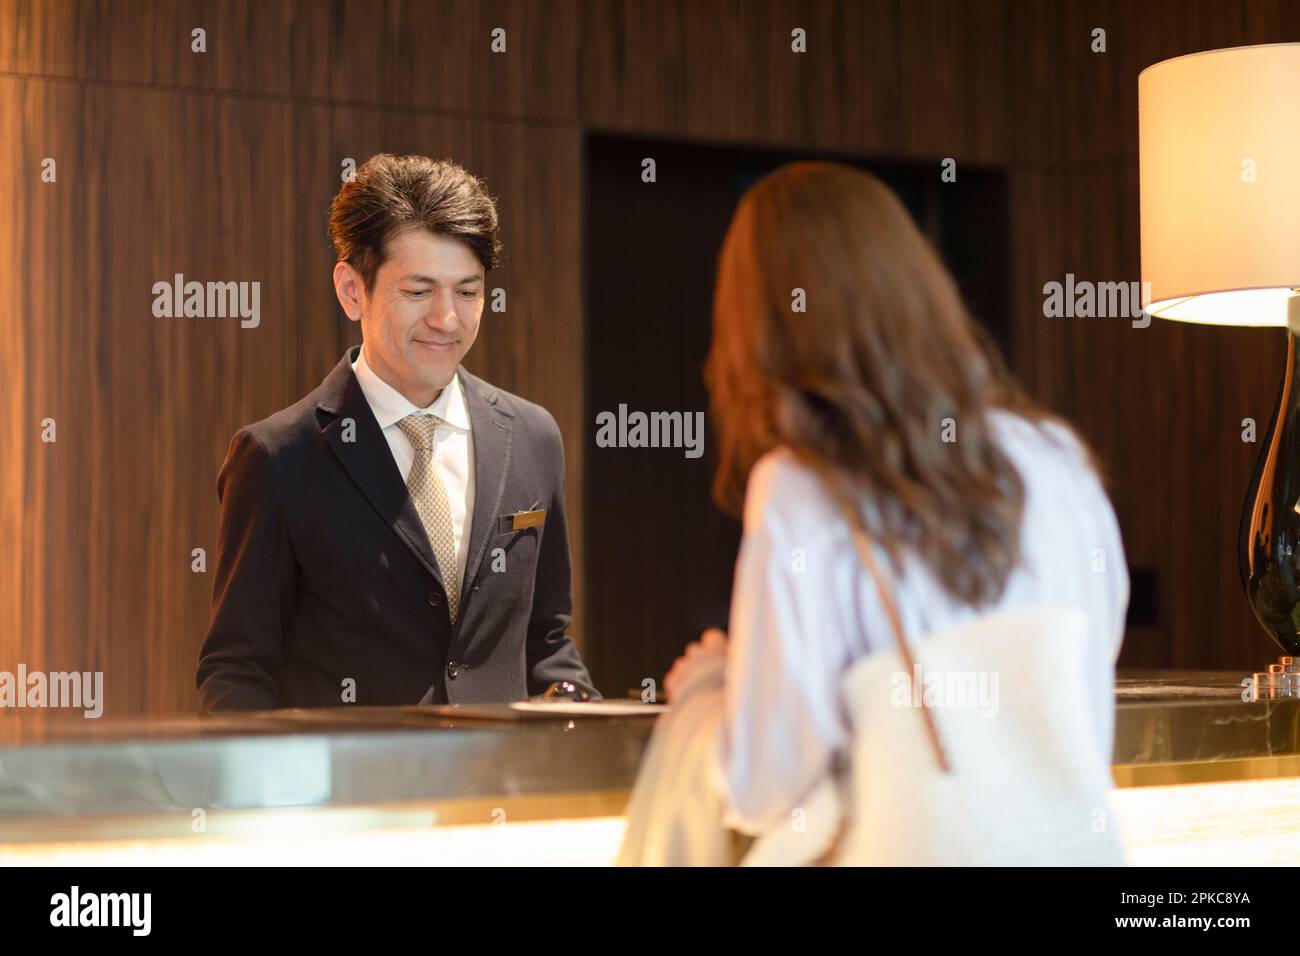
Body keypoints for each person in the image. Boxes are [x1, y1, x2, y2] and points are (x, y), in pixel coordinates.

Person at [662, 161, 1128, 841]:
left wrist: (707, 692)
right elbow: (1083, 706)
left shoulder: (801, 488)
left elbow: (765, 789)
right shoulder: (1057, 460)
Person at [196, 154, 598, 711]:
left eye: (467, 291)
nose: (447, 319)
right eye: (418, 291)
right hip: (352, 794)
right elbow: (238, 669)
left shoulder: (533, 437)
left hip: (499, 792)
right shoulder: (278, 458)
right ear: (351, 289)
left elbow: (546, 644)